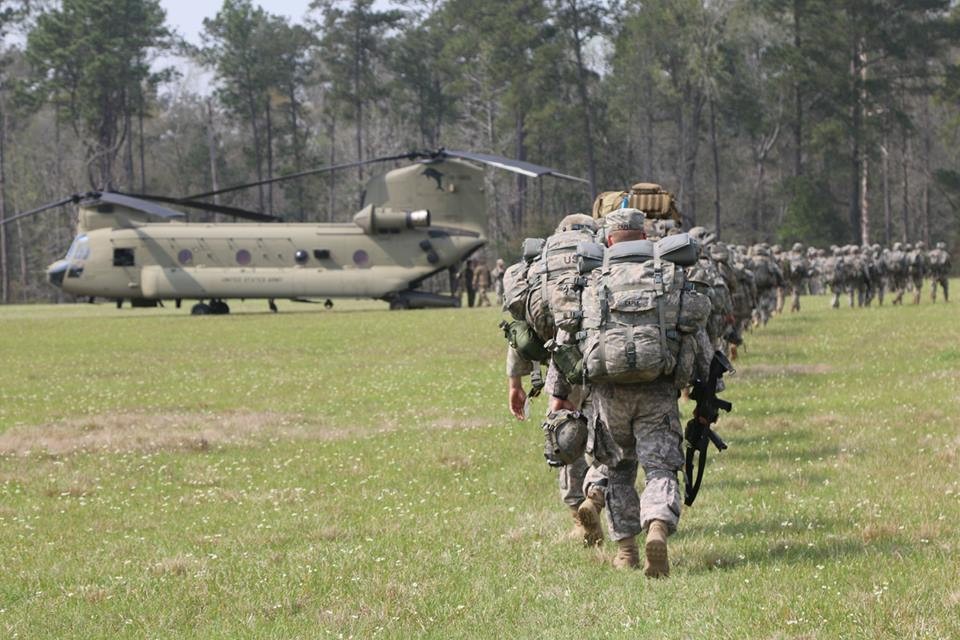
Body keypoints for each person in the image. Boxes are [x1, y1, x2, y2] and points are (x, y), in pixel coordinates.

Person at [550, 209, 712, 577]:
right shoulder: (668, 275)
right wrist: (706, 390)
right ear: (643, 235)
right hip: (658, 391)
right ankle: (657, 526)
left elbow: (566, 336)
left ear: (608, 239)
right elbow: (696, 333)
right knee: (660, 467)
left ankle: (626, 551)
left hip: (608, 395)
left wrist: (559, 393)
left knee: (618, 470)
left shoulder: (591, 279)